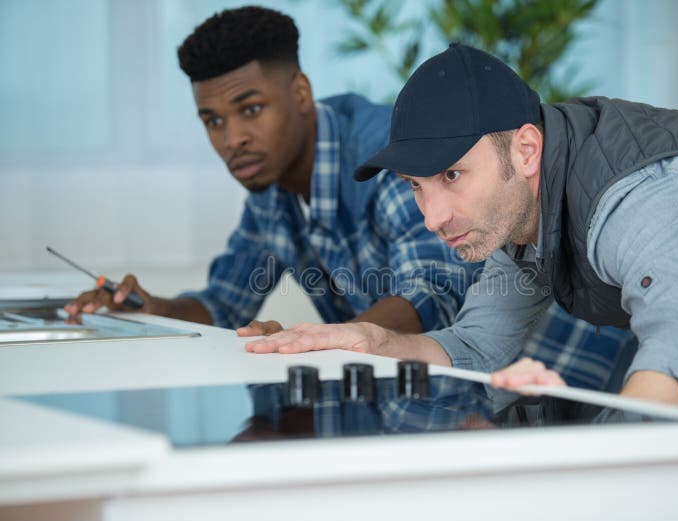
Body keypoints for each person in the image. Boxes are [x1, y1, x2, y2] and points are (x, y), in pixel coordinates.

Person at [244, 43, 678, 521]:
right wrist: (376, 341)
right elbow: (481, 343)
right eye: (417, 186)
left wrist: (579, 484)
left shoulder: (637, 194)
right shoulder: (522, 215)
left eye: (452, 175)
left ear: (526, 150)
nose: (433, 215)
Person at [64, 7, 632, 392]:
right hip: (464, 379)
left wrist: (337, 340)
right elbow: (225, 302)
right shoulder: (271, 186)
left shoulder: (383, 157)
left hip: (564, 367)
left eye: (250, 109)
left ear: (301, 94)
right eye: (212, 120)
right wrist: (149, 308)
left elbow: (432, 288)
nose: (232, 137)